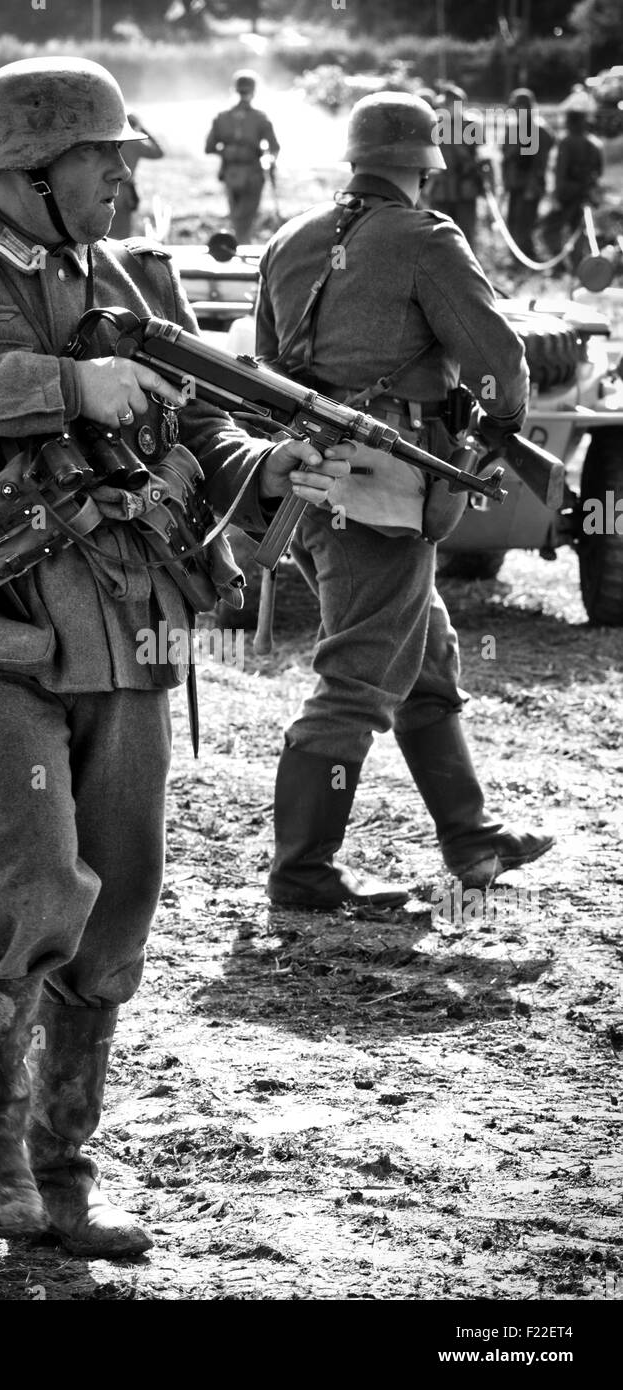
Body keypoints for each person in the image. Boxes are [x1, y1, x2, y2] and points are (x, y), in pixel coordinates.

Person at [0, 57, 345, 1256]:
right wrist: (67, 381)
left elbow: (193, 419)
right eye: (103, 158)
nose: (125, 178)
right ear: (31, 167)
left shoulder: (131, 277)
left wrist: (259, 465)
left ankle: (61, 1176)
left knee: (118, 897)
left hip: (126, 626)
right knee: (29, 881)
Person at [255, 91, 554, 911]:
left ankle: (472, 838)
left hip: (310, 482)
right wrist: (500, 427)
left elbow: (263, 368)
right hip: (387, 490)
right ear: (425, 167)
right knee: (357, 676)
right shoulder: (426, 239)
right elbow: (500, 360)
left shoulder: (290, 239)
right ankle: (303, 875)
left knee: (425, 658)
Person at [205, 69, 280, 243]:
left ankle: (239, 249)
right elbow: (274, 148)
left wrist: (226, 151)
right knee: (244, 221)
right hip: (252, 174)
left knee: (238, 219)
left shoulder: (222, 117)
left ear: (235, 89)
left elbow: (209, 147)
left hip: (231, 174)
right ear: (254, 91)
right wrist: (271, 162)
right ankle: (242, 253)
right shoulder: (260, 118)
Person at [542, 92, 603, 272]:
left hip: (568, 195)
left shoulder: (567, 143)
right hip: (586, 195)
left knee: (549, 230)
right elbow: (598, 173)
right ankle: (577, 268)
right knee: (579, 232)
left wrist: (557, 196)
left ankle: (560, 266)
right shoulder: (595, 144)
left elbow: (560, 172)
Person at [427, 84, 487, 251]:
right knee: (439, 234)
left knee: (466, 234)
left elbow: (483, 156)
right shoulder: (435, 124)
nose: (442, 108)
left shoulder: (472, 125)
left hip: (465, 188)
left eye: (447, 104)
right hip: (441, 189)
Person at [502, 88, 555, 263]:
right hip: (514, 184)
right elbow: (507, 157)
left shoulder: (539, 130)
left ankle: (527, 258)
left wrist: (533, 186)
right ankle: (516, 259)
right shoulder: (514, 128)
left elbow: (540, 162)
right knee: (513, 223)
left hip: (529, 185)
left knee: (525, 225)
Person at [109, 110, 164, 239]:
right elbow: (159, 153)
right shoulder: (136, 143)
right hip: (126, 193)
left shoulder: (110, 141)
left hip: (107, 189)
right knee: (123, 235)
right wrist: (144, 132)